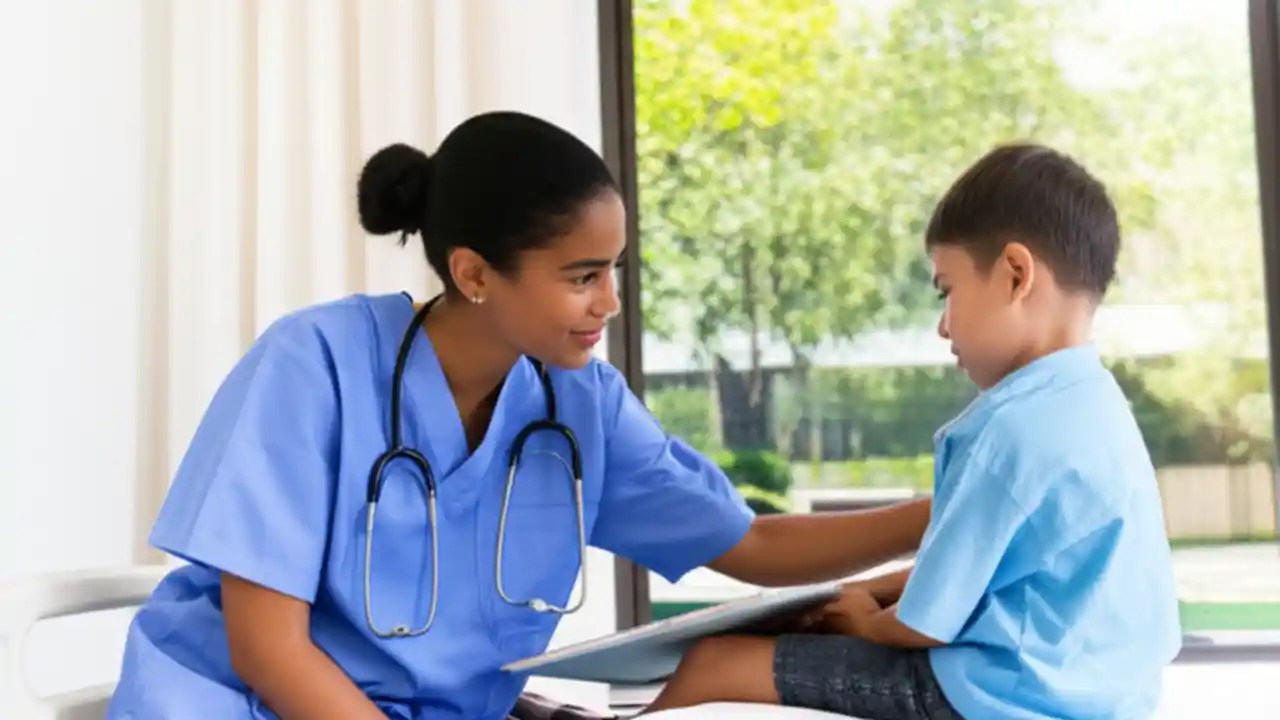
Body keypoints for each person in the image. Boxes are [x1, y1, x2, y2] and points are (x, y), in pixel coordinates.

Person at [105, 110, 931, 720]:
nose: (609, 301)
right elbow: (267, 649)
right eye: (581, 276)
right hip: (238, 702)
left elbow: (748, 543)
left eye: (614, 270)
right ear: (473, 273)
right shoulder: (312, 366)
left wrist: (944, 515)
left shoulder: (580, 404)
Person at [646, 143, 1183, 719]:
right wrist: (866, 595)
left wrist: (863, 620)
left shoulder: (1005, 429)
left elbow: (921, 623)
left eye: (946, 290)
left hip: (1001, 698)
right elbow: (972, 570)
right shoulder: (1097, 404)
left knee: (715, 662)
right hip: (1104, 697)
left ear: (1015, 274)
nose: (942, 324)